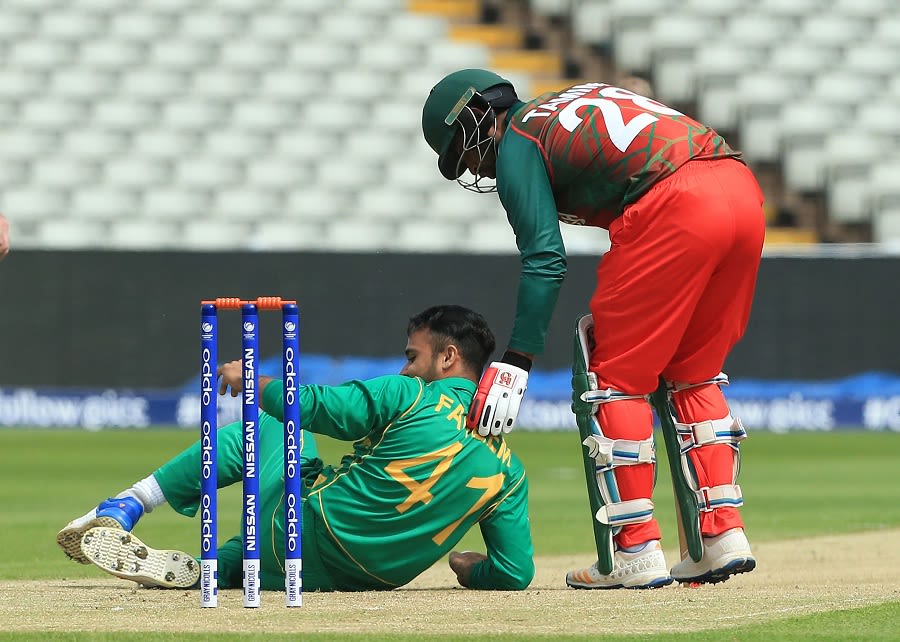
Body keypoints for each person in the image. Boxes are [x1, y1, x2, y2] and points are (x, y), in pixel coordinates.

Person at [421, 70, 762, 589]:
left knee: (613, 376)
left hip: (674, 204)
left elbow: (544, 257)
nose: (469, 165)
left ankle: (634, 550)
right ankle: (721, 538)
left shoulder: (517, 140)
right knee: (694, 373)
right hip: (739, 188)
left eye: (460, 150)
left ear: (474, 115)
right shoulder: (561, 102)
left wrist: (517, 360)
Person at [56, 304, 534, 592]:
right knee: (295, 497)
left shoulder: (409, 395)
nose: (406, 367)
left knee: (273, 429)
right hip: (366, 580)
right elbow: (515, 572)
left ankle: (127, 505)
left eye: (413, 356)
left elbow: (317, 407)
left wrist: (252, 379)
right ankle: (222, 565)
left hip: (304, 536)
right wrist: (470, 569)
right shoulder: (508, 472)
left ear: (448, 357)